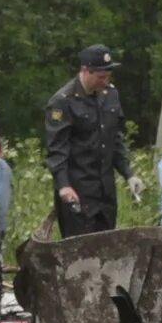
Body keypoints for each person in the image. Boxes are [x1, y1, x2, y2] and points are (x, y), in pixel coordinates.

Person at [44, 44, 129, 238]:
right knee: (79, 253)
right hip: (78, 190)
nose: (105, 81)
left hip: (105, 192)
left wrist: (128, 173)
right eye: (100, 77)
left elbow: (115, 139)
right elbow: (57, 148)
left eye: (107, 76)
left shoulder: (111, 95)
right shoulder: (63, 101)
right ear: (85, 71)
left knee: (107, 250)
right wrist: (63, 185)